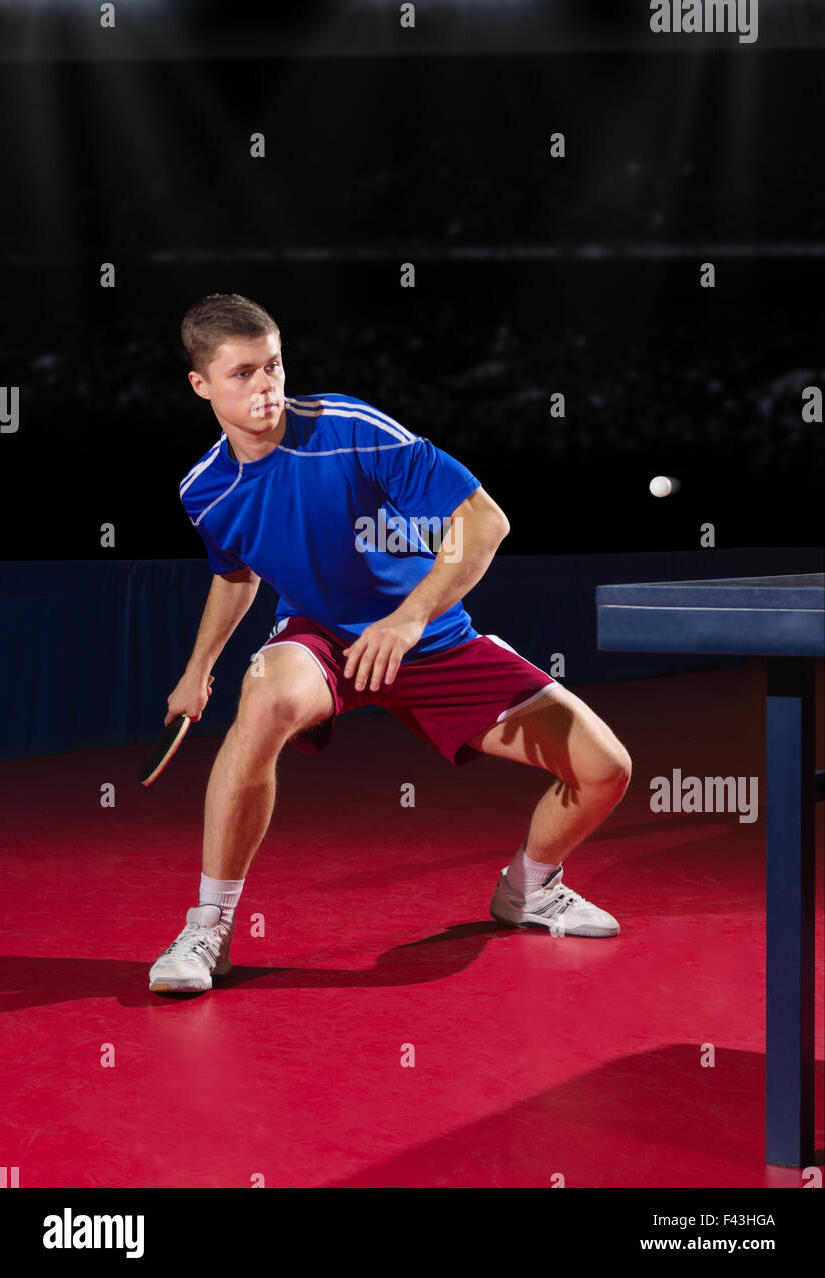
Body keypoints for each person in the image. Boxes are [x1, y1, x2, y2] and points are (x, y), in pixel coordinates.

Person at [149, 293, 632, 992]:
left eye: (274, 367)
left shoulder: (349, 427)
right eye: (243, 373)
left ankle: (528, 888)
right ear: (201, 385)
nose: (266, 387)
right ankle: (209, 929)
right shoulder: (206, 490)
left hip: (431, 637)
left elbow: (484, 522)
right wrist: (198, 669)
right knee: (264, 699)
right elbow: (236, 573)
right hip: (322, 640)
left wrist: (408, 619)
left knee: (606, 770)